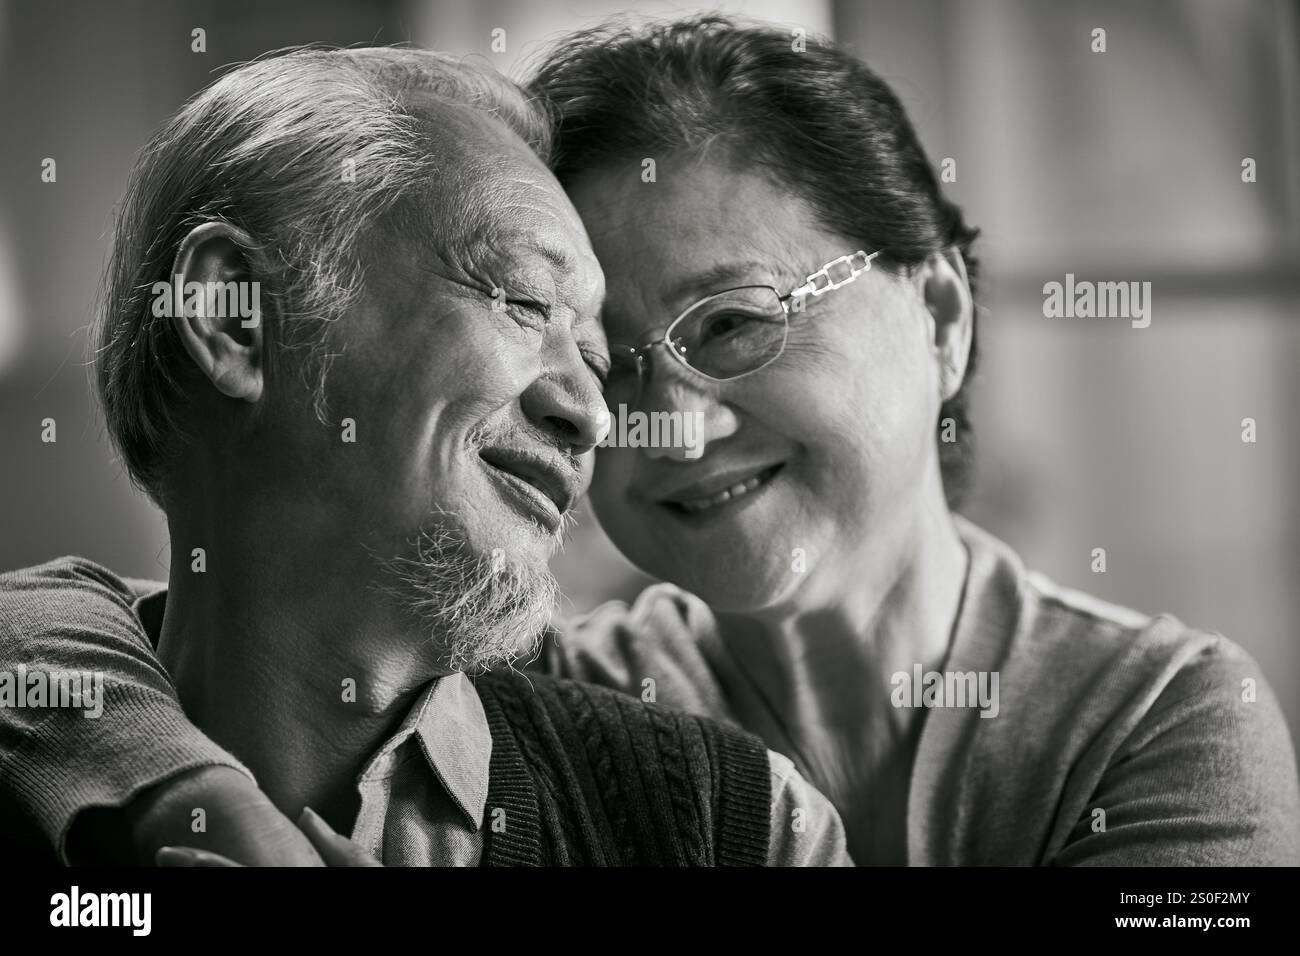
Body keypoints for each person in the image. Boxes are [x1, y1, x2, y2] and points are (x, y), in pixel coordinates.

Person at [4, 17, 1298, 866]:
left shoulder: (1161, 718)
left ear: (944, 317)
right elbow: (53, 627)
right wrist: (187, 796)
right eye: (587, 348)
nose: (648, 415)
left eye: (733, 323)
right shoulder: (536, 682)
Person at [0, 44, 850, 867]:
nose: (593, 415)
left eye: (595, 359)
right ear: (234, 315)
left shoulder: (742, 828)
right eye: (524, 302)